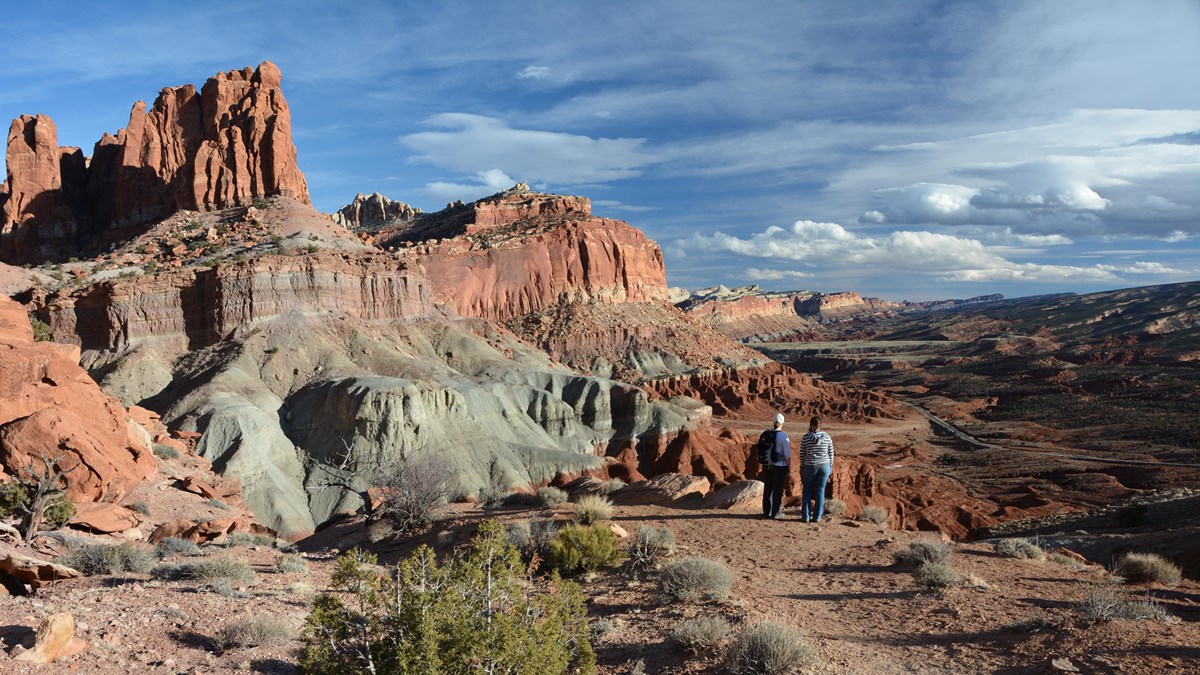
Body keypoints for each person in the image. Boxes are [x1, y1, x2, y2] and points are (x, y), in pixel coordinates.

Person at [799, 415, 834, 524]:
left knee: (807, 491)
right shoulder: (827, 437)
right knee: (820, 491)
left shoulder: (806, 437)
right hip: (824, 466)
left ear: (811, 425)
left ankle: (806, 516)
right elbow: (831, 453)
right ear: (820, 425)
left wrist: (802, 466)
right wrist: (830, 466)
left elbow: (802, 454)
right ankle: (817, 517)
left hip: (810, 466)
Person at [760, 413, 791, 519]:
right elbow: (787, 454)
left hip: (767, 465)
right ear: (782, 423)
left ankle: (766, 512)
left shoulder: (766, 434)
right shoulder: (783, 436)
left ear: (773, 422)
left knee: (768, 489)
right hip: (779, 466)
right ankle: (776, 513)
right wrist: (789, 466)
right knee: (777, 490)